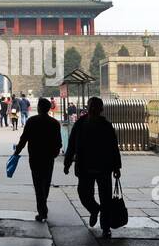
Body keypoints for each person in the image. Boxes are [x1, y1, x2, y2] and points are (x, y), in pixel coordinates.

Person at [63, 96, 122, 237]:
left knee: (106, 198)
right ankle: (95, 209)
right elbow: (71, 145)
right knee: (84, 194)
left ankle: (105, 226)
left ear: (100, 109)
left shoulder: (106, 125)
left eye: (95, 106)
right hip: (85, 166)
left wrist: (116, 167)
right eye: (91, 106)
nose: (93, 109)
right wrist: (67, 162)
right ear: (87, 108)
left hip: (103, 167)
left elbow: (114, 148)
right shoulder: (80, 124)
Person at [15, 97, 63, 221]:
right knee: (46, 183)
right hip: (48, 157)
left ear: (39, 108)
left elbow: (24, 138)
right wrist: (55, 153)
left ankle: (42, 211)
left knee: (38, 183)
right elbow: (58, 142)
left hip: (35, 157)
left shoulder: (32, 121)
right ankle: (43, 206)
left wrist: (17, 152)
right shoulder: (54, 123)